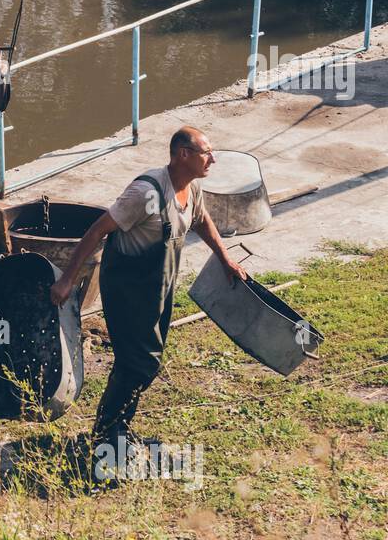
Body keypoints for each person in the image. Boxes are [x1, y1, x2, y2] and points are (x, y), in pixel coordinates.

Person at [49, 126, 247, 467]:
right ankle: (107, 436)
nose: (212, 158)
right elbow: (97, 230)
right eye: (205, 152)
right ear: (182, 154)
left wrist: (225, 257)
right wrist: (68, 279)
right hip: (127, 288)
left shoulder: (192, 188)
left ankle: (116, 430)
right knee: (138, 363)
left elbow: (201, 221)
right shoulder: (145, 192)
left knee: (146, 361)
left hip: (159, 287)